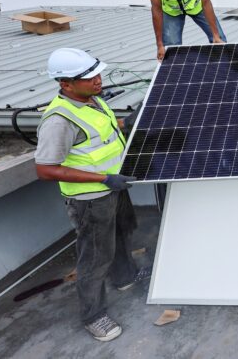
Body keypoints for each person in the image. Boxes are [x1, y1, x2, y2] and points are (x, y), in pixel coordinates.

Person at [35, 48, 150, 342]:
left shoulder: (93, 101)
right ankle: (94, 315)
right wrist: (104, 178)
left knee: (123, 233)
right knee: (95, 258)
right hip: (91, 198)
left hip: (114, 185)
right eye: (88, 77)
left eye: (96, 73)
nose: (97, 80)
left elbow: (105, 134)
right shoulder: (59, 121)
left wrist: (129, 122)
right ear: (65, 84)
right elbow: (46, 169)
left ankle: (124, 277)